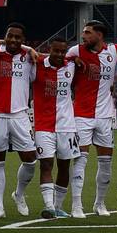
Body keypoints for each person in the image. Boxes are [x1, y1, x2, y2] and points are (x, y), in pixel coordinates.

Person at [70, 20, 117, 218]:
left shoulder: (115, 51)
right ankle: (76, 205)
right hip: (81, 115)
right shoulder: (75, 51)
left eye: (87, 33)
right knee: (80, 160)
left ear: (100, 35)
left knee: (106, 163)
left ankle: (99, 203)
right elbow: (54, 59)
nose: (83, 36)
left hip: (105, 116)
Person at [0, 22, 38, 218]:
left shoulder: (30, 58)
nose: (13, 40)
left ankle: (19, 194)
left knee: (31, 160)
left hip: (21, 115)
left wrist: (29, 49)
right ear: (4, 36)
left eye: (18, 37)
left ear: (23, 40)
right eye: (10, 36)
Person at [32, 34, 78, 219]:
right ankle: (49, 206)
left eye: (62, 51)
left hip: (67, 125)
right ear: (49, 49)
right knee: (46, 164)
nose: (59, 54)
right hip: (43, 125)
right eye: (55, 50)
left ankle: (58, 206)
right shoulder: (37, 64)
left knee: (65, 166)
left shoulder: (72, 65)